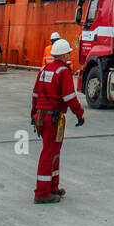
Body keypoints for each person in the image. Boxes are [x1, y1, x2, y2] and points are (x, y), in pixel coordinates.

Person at [30, 38, 85, 204]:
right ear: (63, 55)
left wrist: (33, 114)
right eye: (68, 52)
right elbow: (69, 97)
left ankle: (53, 186)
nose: (70, 54)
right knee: (49, 153)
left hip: (41, 116)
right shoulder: (63, 72)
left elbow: (35, 94)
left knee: (53, 152)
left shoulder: (45, 70)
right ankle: (41, 193)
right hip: (53, 118)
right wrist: (80, 114)